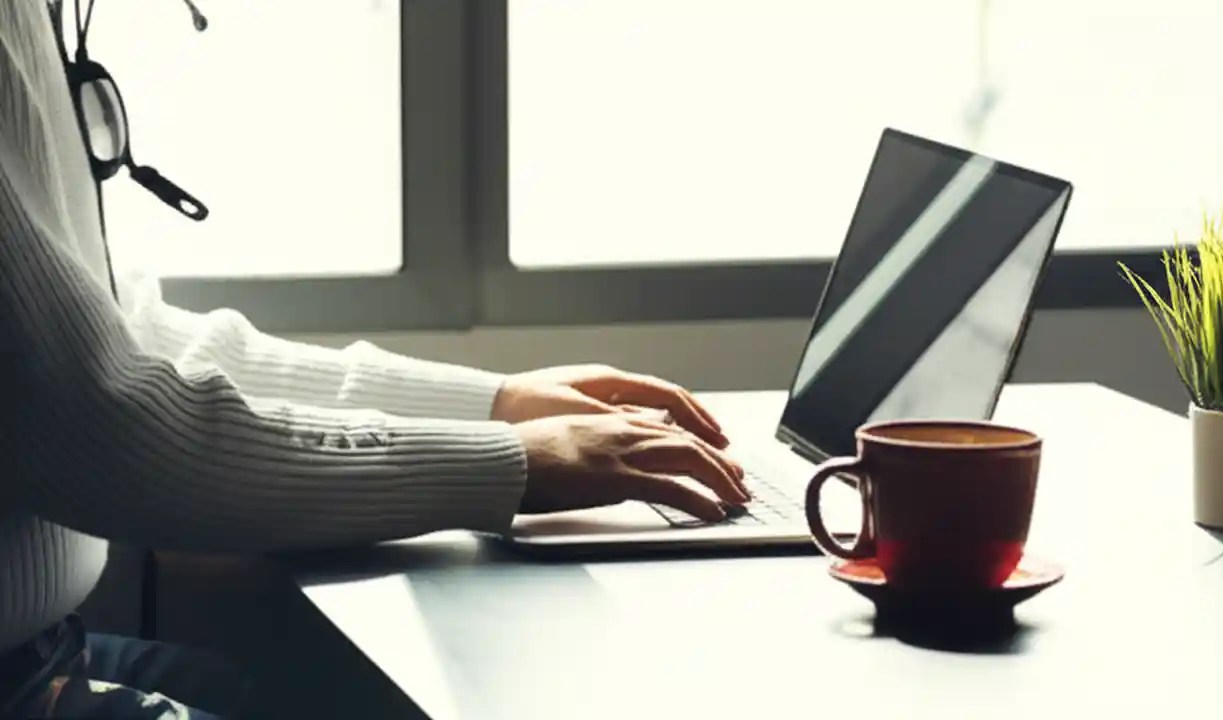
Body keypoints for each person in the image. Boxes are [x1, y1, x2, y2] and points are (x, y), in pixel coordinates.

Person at [0, 1, 749, 717]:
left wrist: (494, 404)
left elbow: (127, 340)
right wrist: (511, 463)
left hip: (48, 658)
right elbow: (107, 434)